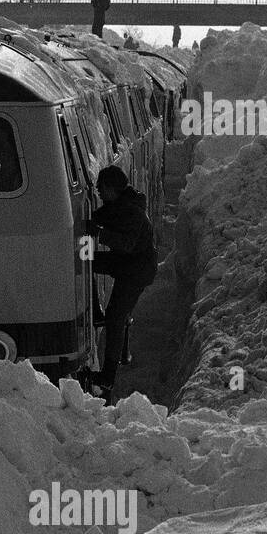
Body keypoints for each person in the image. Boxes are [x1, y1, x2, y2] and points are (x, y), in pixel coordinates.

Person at [85, 166, 157, 401]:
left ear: (112, 189)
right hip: (126, 263)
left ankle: (107, 376)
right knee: (86, 261)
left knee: (116, 315)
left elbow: (126, 244)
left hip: (135, 270)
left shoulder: (132, 212)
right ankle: (96, 310)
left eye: (101, 188)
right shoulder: (117, 205)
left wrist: (99, 233)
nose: (98, 192)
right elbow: (101, 217)